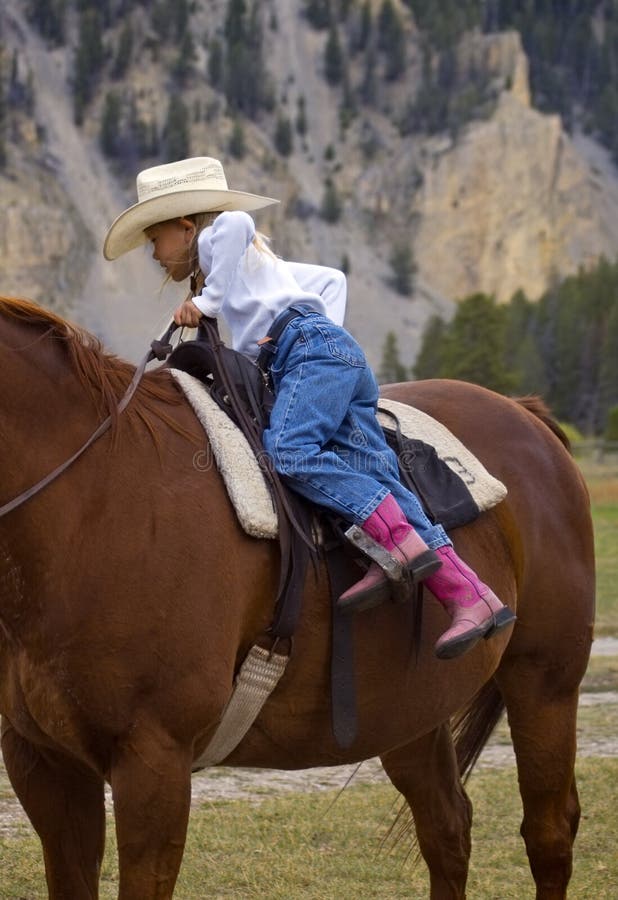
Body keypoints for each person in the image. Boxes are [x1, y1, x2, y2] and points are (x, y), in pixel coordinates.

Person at [104, 156, 515, 659]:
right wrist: (319, 336)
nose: (152, 253)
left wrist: (210, 304)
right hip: (329, 352)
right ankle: (469, 595)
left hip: (310, 354)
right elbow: (331, 281)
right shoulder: (262, 268)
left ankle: (398, 544)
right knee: (378, 470)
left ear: (186, 228)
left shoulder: (218, 240)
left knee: (289, 450)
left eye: (154, 239)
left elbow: (237, 221)